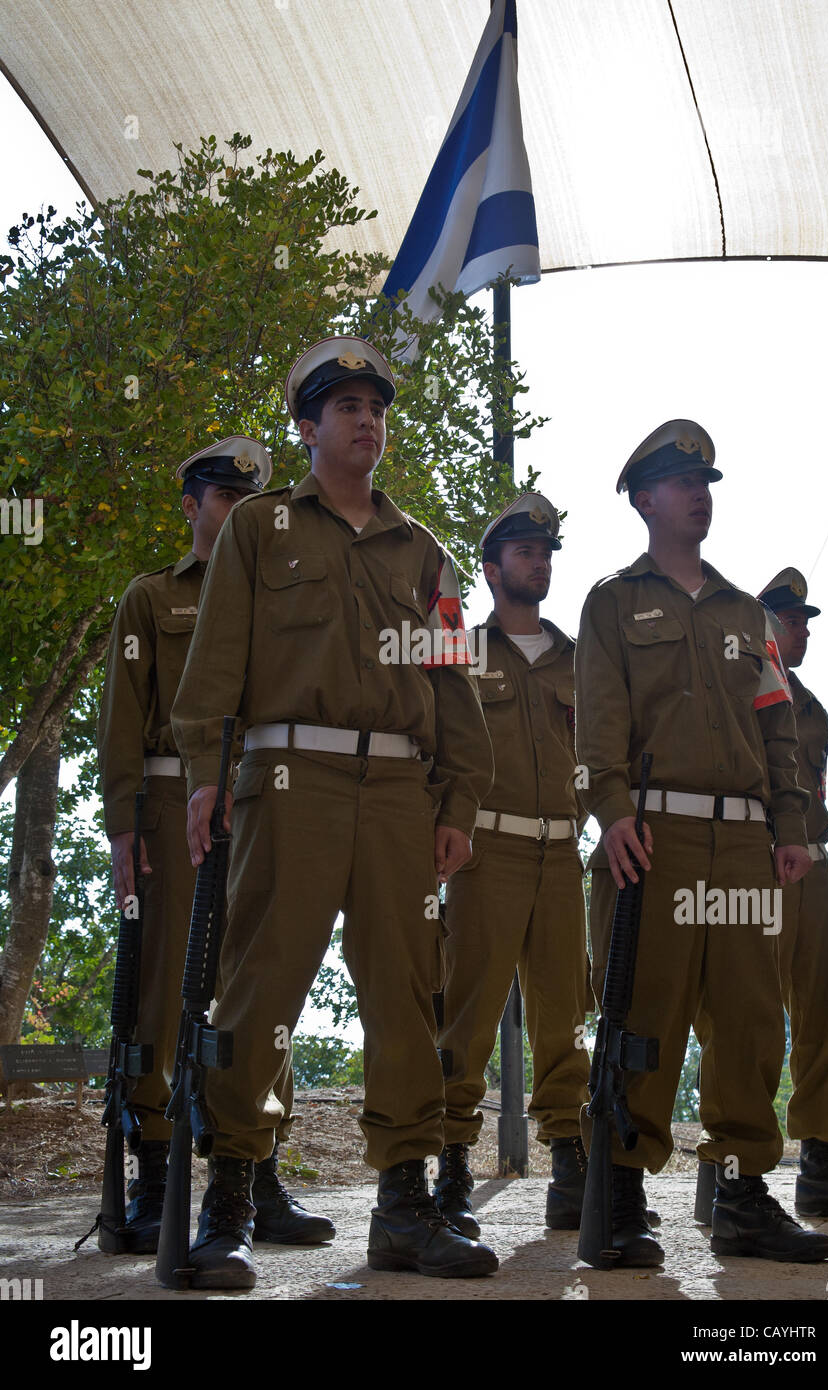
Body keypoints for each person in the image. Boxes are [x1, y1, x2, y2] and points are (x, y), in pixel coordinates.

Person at [171, 336, 498, 1288]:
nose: (367, 420)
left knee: (406, 991)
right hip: (288, 782)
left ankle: (404, 1208)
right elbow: (215, 668)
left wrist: (461, 801)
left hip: (401, 791)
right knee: (260, 987)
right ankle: (227, 1201)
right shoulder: (260, 530)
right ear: (307, 427)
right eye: (345, 406)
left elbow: (454, 690)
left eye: (375, 407)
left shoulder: (425, 552)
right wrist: (204, 778)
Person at [574, 420, 828, 1266]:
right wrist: (612, 813)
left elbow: (778, 724)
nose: (700, 495)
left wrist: (789, 828)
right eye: (684, 484)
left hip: (746, 842)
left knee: (752, 1021)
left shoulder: (743, 613)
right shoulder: (613, 602)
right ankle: (619, 1191)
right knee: (646, 1016)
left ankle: (744, 1193)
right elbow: (598, 728)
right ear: (645, 499)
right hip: (657, 837)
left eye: (708, 484)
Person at [97, 436, 335, 1253]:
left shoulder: (276, 597)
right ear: (192, 505)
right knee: (165, 986)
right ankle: (154, 1171)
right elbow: (124, 722)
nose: (236, 512)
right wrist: (124, 829)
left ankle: (256, 1172)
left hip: (263, 795)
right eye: (221, 498)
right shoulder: (150, 599)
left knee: (261, 988)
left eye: (247, 499)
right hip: (169, 804)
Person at [434, 493, 591, 1236]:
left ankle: (570, 1162)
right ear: (494, 569)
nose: (541, 562)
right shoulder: (461, 652)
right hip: (484, 854)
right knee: (466, 1014)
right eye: (526, 552)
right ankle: (452, 1161)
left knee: (565, 1016)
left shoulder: (580, 661)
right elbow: (437, 751)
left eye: (548, 551)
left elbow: (602, 754)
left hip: (561, 854)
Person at [757, 568, 828, 1219]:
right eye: (796, 620)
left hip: (815, 873)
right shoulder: (739, 693)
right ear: (768, 622)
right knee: (750, 1020)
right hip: (760, 869)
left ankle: (819, 1164)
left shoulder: (814, 707)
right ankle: (733, 1167)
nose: (805, 632)